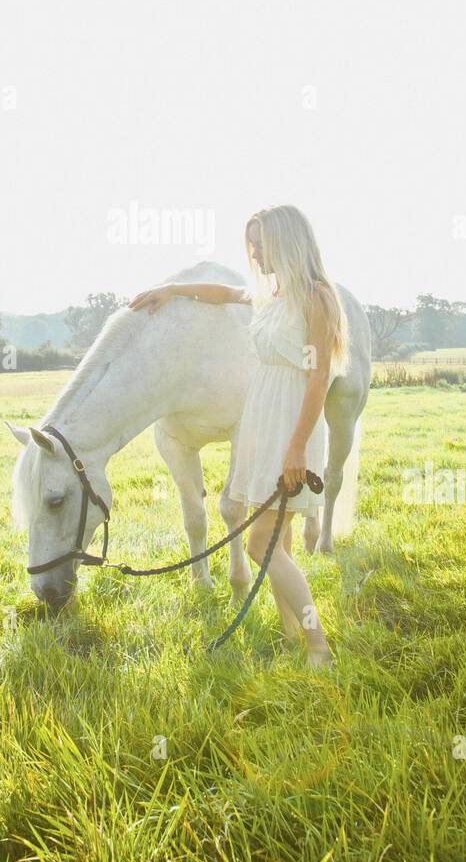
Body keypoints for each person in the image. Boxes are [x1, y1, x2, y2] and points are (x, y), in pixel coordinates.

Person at [128, 204, 348, 665]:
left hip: (291, 429)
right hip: (263, 425)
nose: (256, 254)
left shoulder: (316, 299)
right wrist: (173, 289)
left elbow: (318, 379)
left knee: (258, 543)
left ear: (288, 243)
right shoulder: (273, 294)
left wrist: (296, 449)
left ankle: (318, 646)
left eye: (263, 245)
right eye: (252, 245)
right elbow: (225, 293)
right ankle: (292, 635)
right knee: (279, 539)